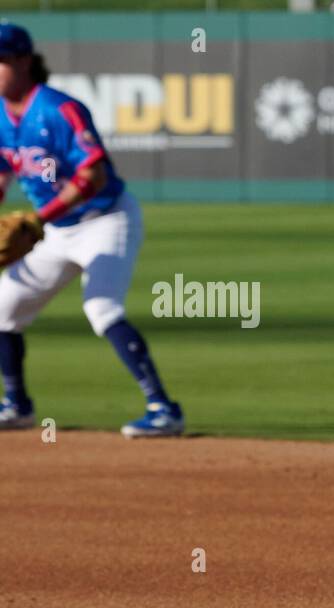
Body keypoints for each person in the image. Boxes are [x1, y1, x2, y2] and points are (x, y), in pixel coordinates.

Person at [0, 23, 182, 437]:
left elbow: (93, 176)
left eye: (2, 61)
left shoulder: (58, 109)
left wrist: (37, 219)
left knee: (102, 308)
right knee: (2, 310)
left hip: (106, 220)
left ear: (25, 62)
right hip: (54, 231)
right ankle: (17, 406)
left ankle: (163, 409)